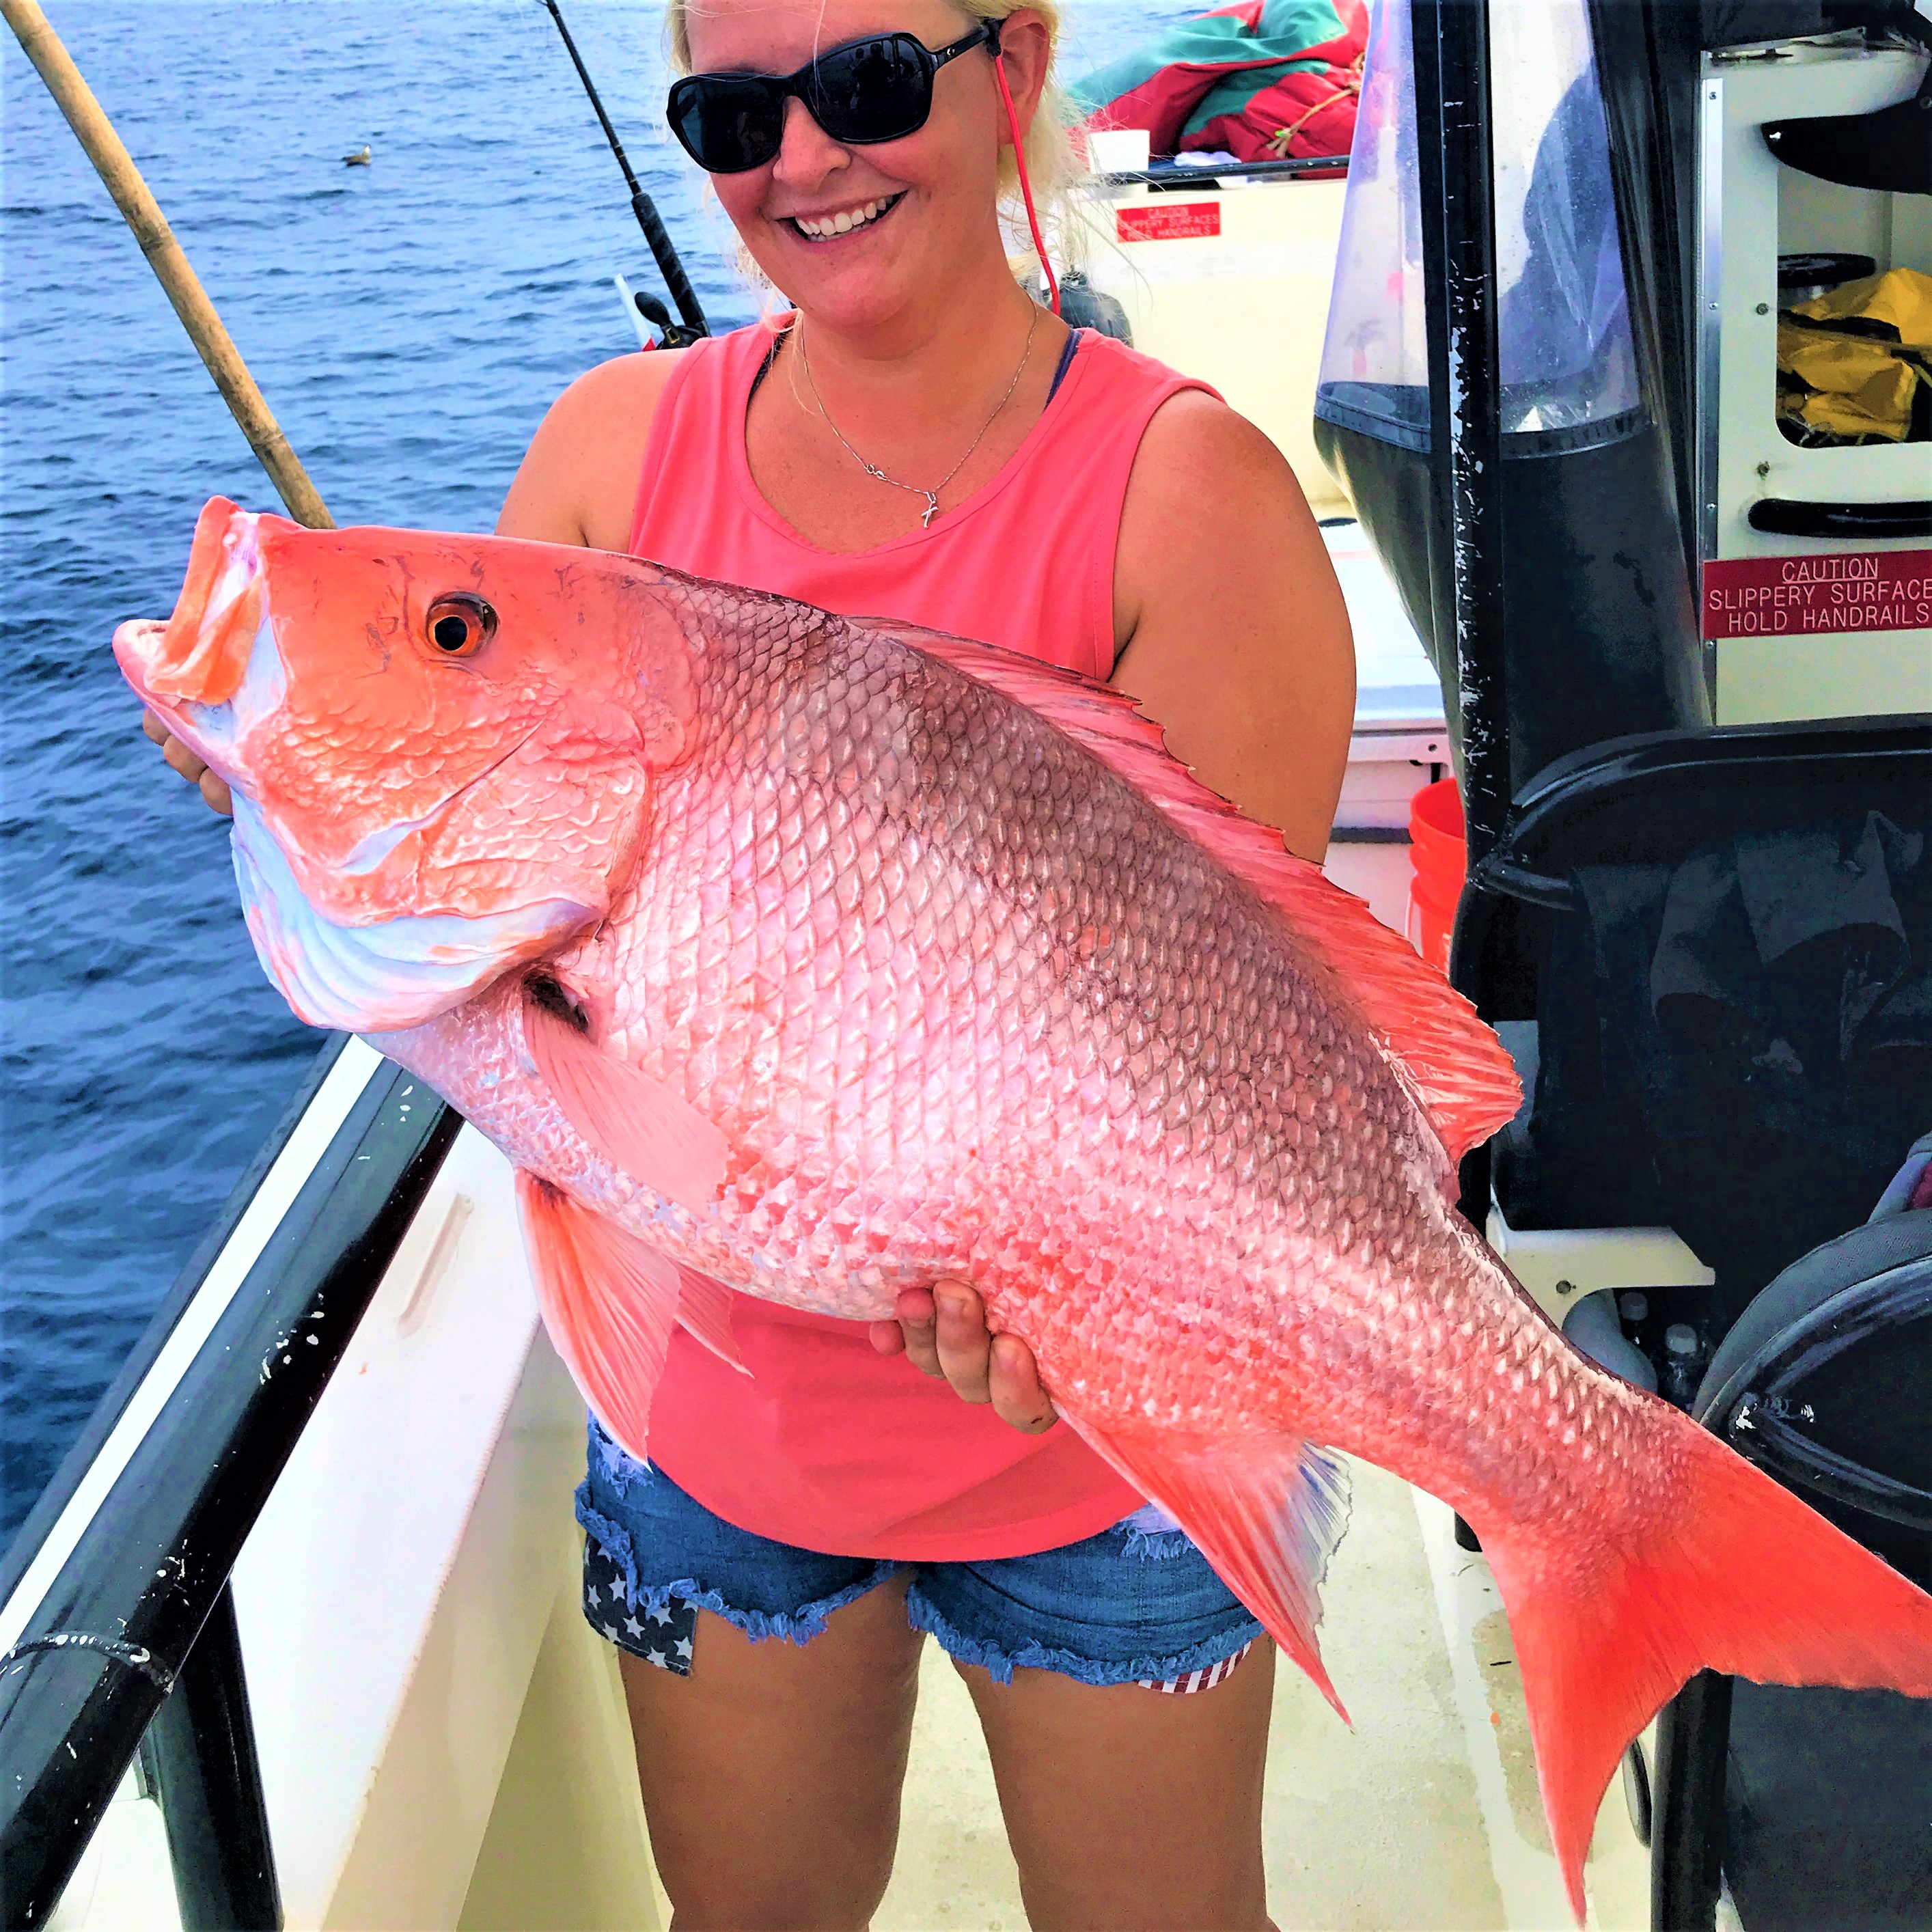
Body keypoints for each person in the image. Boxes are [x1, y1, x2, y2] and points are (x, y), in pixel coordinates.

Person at [146, 0, 1354, 1920]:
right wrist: (285, 758)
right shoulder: (610, 449)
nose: (801, 158)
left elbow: (1245, 1043)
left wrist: (1094, 1301)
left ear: (1013, 70)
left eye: (866, 83)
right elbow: (473, 838)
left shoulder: (1190, 499)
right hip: (712, 1439)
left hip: (1106, 1454)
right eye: (731, 113)